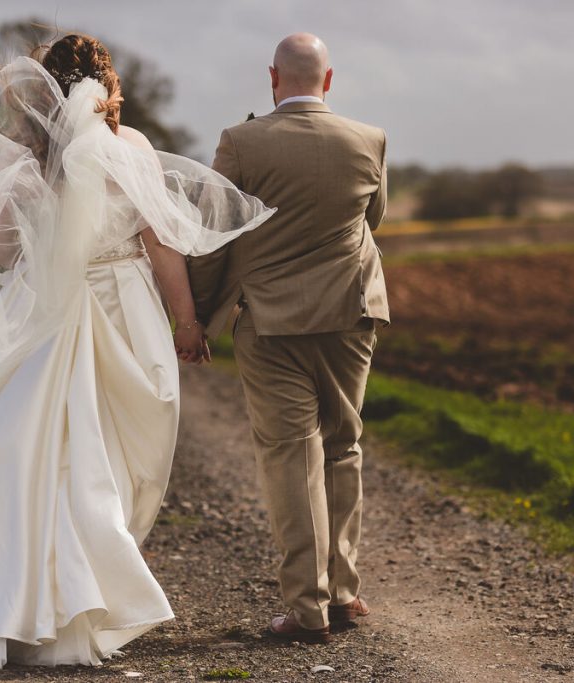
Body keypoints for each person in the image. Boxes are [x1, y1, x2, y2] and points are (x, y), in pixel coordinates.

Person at [0, 34, 273, 669]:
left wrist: (38, 229)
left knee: (36, 447)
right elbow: (160, 242)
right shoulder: (130, 150)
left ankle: (8, 599)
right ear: (107, 86)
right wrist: (187, 321)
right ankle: (79, 598)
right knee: (112, 449)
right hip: (122, 304)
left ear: (47, 88)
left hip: (52, 308)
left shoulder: (32, 156)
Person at [188, 32, 389, 644]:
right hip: (351, 315)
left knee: (291, 456)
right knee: (344, 443)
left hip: (271, 320)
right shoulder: (370, 139)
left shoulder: (241, 142)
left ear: (272, 78)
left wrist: (194, 316)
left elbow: (212, 234)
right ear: (328, 81)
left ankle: (307, 608)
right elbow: (372, 218)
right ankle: (346, 593)